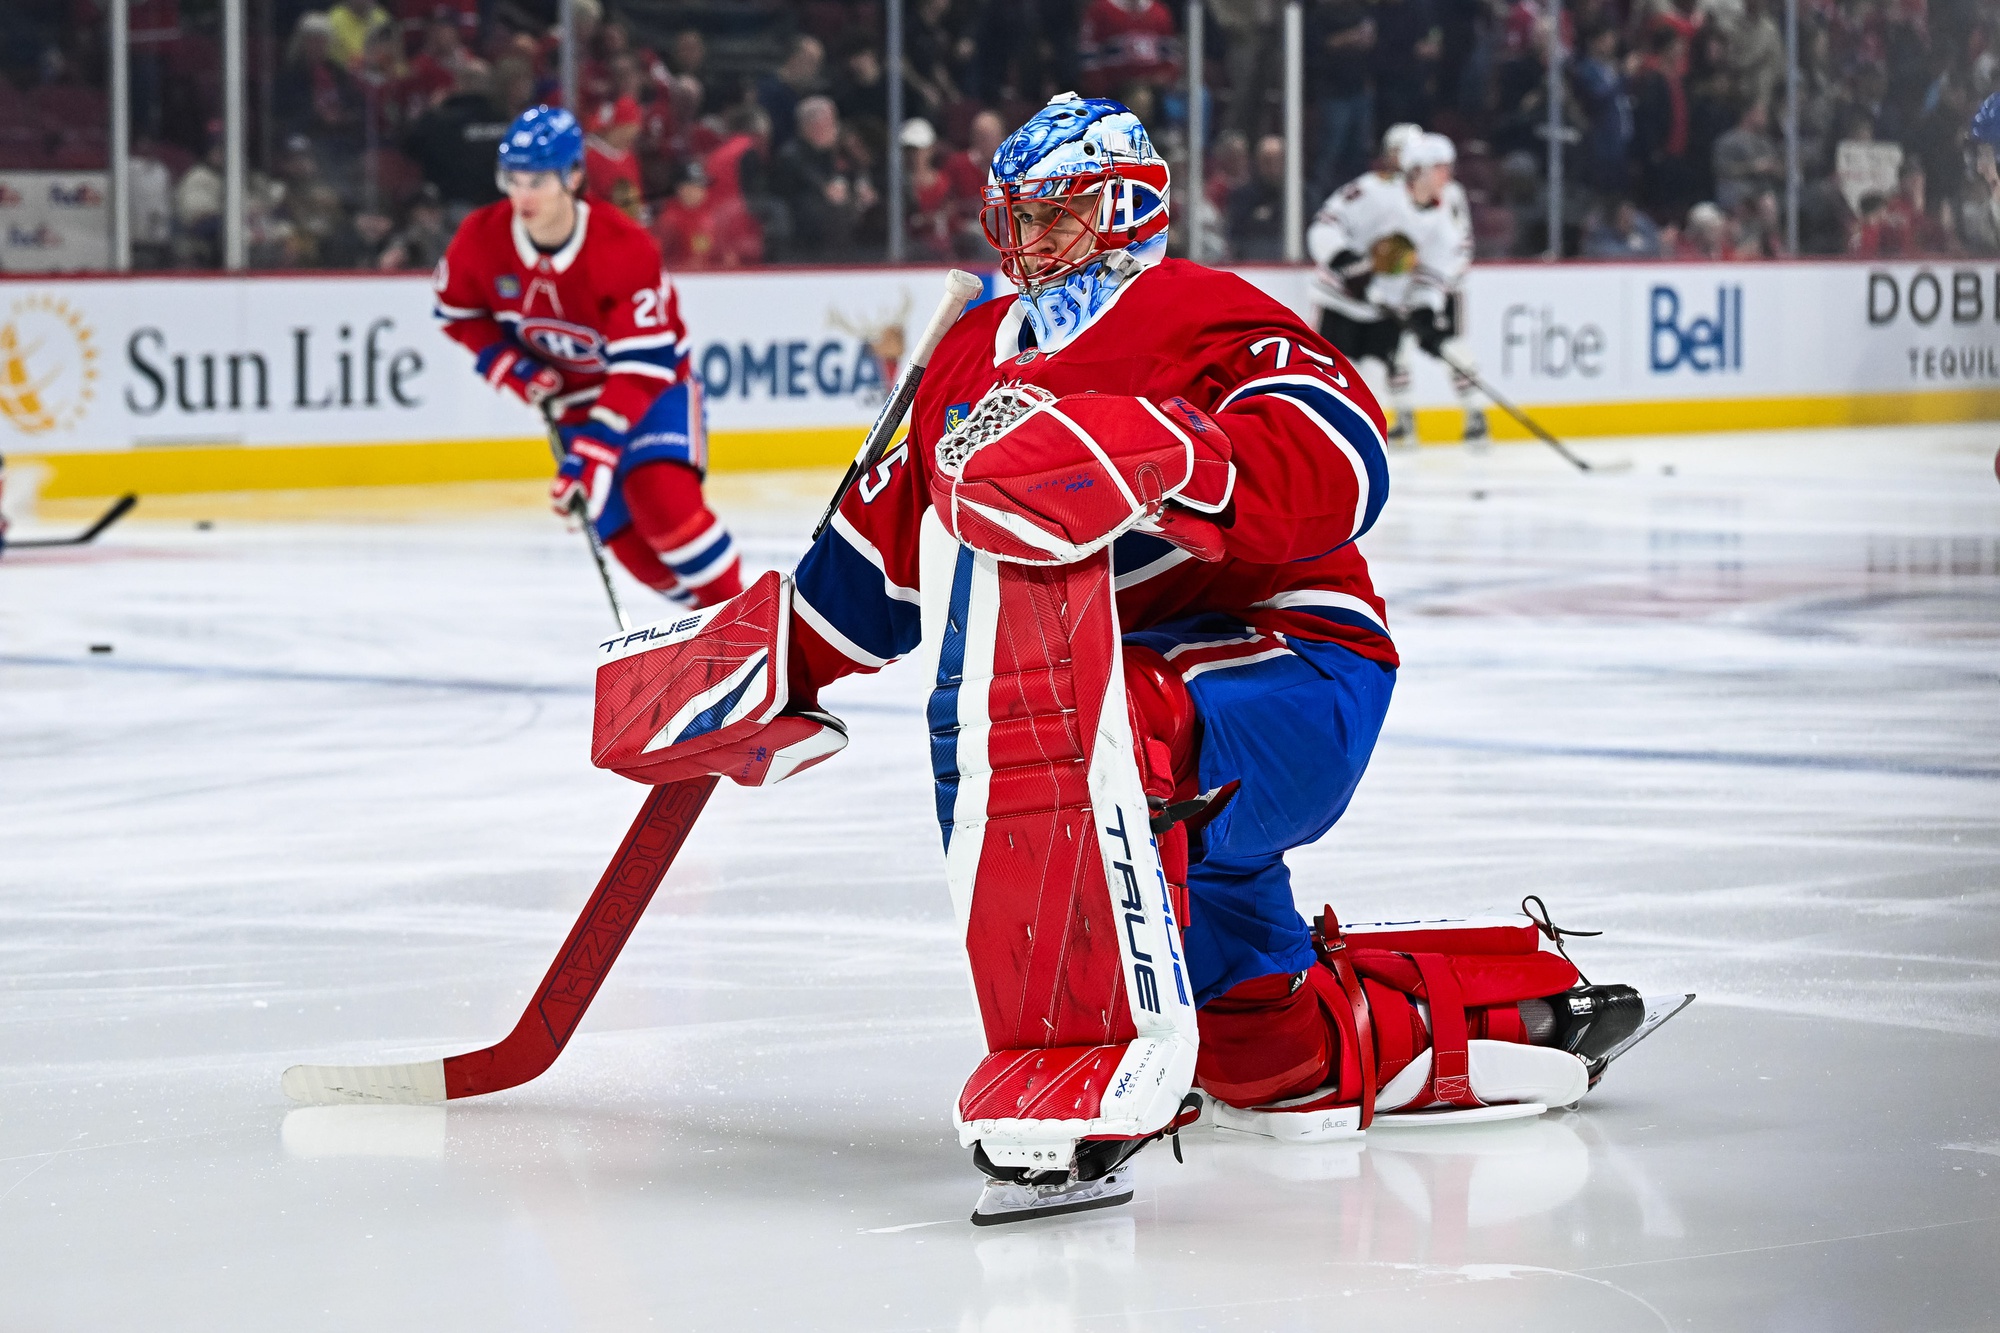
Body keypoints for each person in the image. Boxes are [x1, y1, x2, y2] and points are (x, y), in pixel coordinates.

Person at [587, 93, 1677, 1224]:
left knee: (1086, 720)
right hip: (1135, 736)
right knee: (1269, 1063)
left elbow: (1342, 457)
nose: (1023, 246)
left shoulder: (1202, 315)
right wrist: (750, 670)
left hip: (1293, 670)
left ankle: (1080, 1054)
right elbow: (869, 575)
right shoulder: (967, 352)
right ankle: (1512, 1012)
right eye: (1010, 218)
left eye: (1052, 218)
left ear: (1124, 209)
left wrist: (1172, 455)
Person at [433, 106, 743, 610]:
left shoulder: (622, 246)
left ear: (573, 176)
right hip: (574, 405)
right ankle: (706, 622)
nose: (522, 194)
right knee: (631, 550)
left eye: (537, 179)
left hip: (652, 392)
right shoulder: (480, 240)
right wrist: (511, 369)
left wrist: (596, 451)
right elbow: (458, 313)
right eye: (512, 178)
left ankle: (747, 624)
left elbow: (642, 365)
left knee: (662, 504)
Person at [1304, 122, 1437, 447]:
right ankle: (1319, 437)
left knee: (1376, 374)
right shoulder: (1369, 189)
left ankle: (1361, 439)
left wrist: (1426, 306)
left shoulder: (1434, 204)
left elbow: (1437, 261)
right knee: (1332, 373)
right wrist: (1345, 262)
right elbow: (1323, 228)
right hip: (1342, 300)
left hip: (1386, 305)